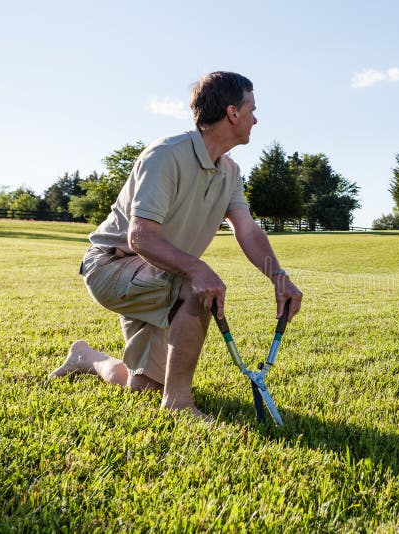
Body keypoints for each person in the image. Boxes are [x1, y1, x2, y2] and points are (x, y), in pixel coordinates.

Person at [49, 71, 302, 419]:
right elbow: (140, 237)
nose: (255, 119)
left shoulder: (230, 170)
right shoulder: (166, 155)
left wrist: (279, 277)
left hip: (158, 273)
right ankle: (180, 403)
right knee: (195, 287)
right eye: (252, 110)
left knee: (143, 387)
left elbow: (247, 229)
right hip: (111, 266)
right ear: (232, 113)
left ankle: (86, 357)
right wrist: (197, 268)